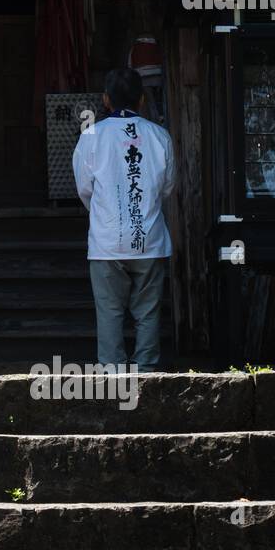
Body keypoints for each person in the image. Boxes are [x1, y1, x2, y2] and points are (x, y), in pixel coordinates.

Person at [72, 66, 176, 372]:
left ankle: (112, 375)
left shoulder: (92, 136)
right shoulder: (159, 136)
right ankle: (146, 371)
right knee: (148, 312)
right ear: (142, 100)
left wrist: (103, 212)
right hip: (150, 238)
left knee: (109, 311)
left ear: (105, 100)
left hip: (107, 241)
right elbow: (167, 187)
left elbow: (84, 188)